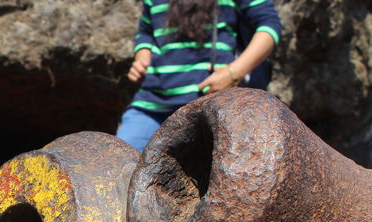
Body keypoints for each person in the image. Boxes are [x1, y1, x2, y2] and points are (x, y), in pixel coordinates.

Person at [117, 0, 282, 152]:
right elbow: (145, 33)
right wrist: (142, 58)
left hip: (211, 107)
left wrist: (234, 72)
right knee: (120, 170)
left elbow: (269, 26)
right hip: (152, 107)